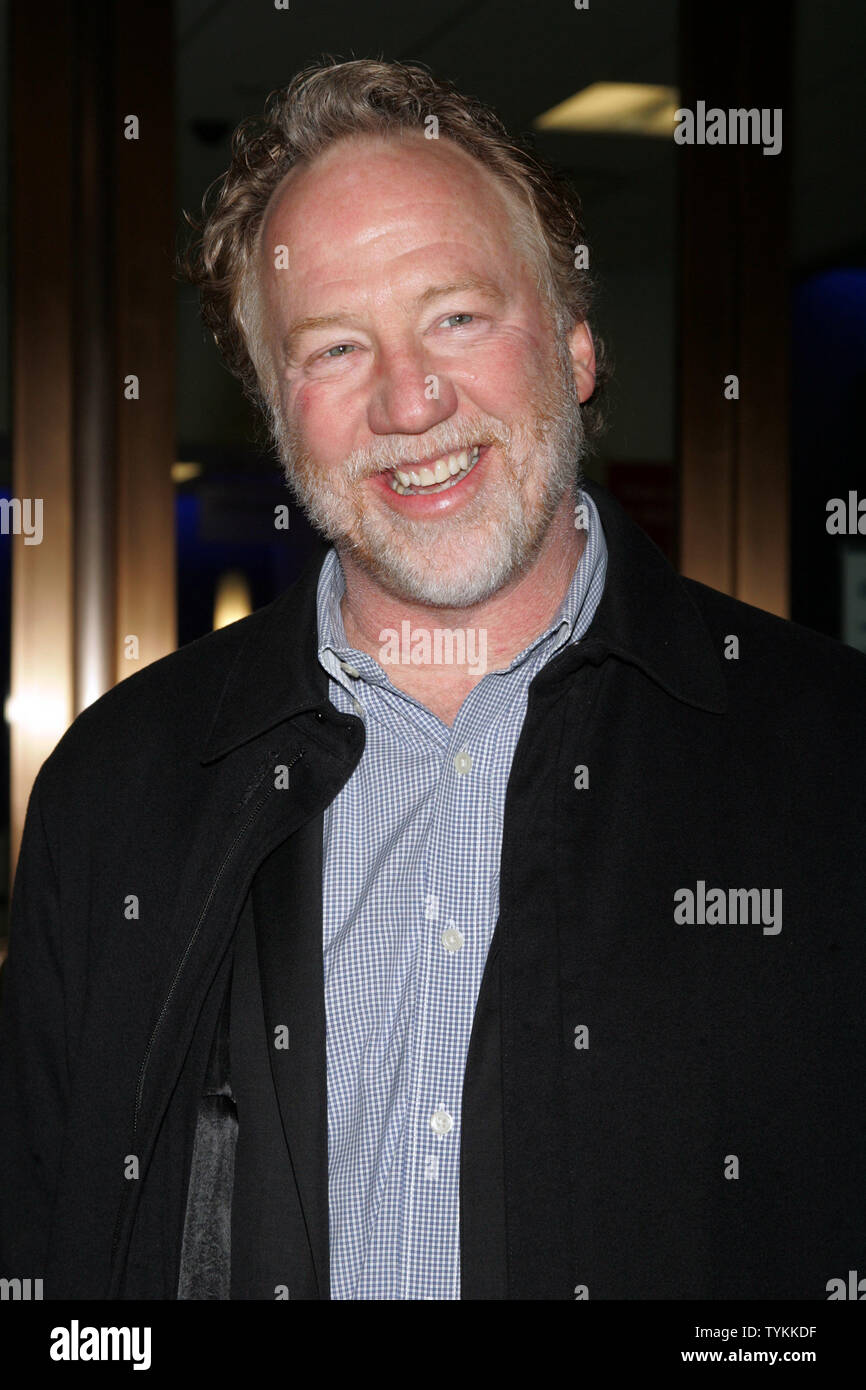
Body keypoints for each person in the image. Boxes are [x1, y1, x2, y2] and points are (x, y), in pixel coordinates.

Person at [1, 57, 864, 1302]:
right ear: (277, 416)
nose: (409, 400)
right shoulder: (118, 787)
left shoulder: (829, 760)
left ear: (574, 345)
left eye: (456, 317)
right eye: (334, 347)